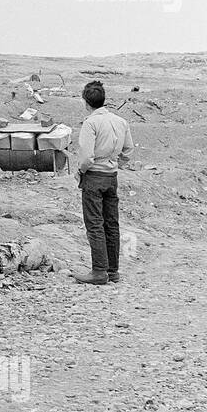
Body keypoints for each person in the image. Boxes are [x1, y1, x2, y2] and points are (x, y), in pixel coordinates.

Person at [72, 79, 133, 284]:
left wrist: (80, 171)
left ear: (86, 102)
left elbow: (87, 157)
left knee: (95, 224)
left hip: (93, 177)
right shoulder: (120, 121)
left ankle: (99, 271)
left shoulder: (91, 123)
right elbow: (127, 151)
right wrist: (114, 163)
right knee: (111, 223)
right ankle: (112, 270)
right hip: (111, 176)